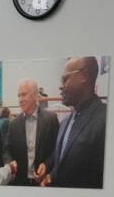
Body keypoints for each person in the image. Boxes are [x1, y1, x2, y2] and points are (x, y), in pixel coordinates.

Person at [37, 56, 108, 189]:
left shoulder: (105, 121)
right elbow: (63, 159)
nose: (60, 86)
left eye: (65, 79)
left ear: (83, 76)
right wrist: (51, 175)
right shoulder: (66, 121)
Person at [5, 78, 59, 186]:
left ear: (35, 95)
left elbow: (57, 149)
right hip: (20, 182)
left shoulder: (51, 119)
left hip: (43, 183)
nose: (20, 99)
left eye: (24, 94)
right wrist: (10, 162)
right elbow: (6, 150)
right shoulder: (14, 123)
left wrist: (47, 165)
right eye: (19, 95)